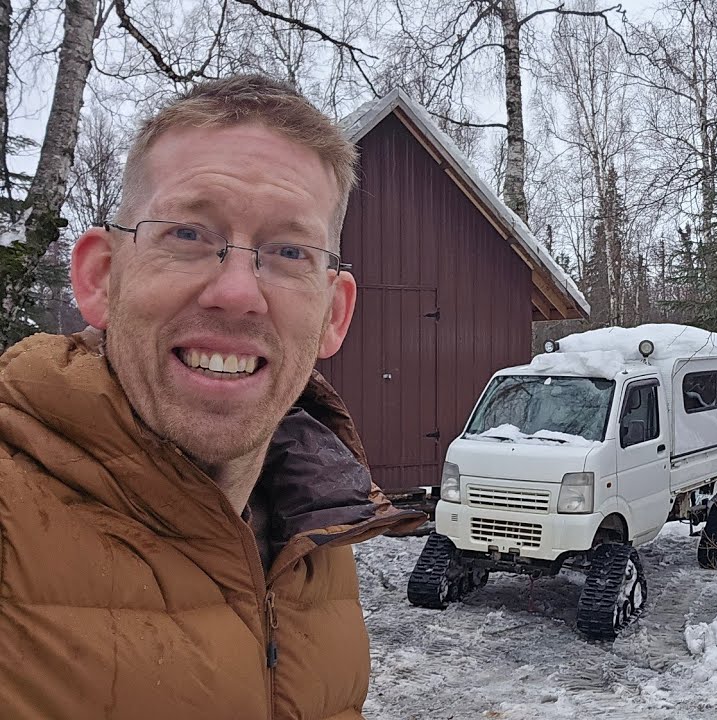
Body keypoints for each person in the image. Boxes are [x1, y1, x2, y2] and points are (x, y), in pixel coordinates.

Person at [0, 75, 424, 719]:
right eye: (189, 234)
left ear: (333, 314)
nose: (237, 292)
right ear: (100, 279)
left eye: (288, 251)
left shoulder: (313, 534)